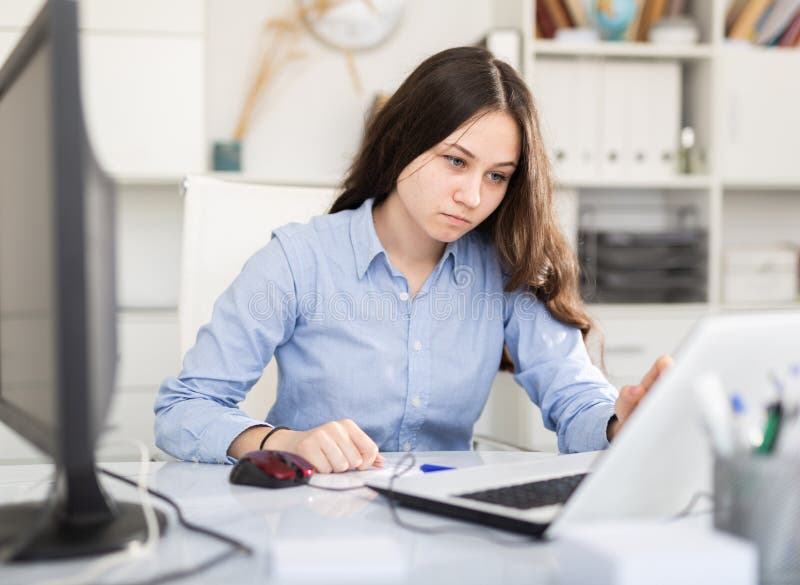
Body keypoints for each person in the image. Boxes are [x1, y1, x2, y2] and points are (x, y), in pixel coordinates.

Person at [154, 46, 671, 473]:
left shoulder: (505, 267)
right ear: (403, 141)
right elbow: (183, 410)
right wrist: (281, 441)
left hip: (449, 521)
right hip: (313, 518)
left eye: (497, 175)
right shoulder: (298, 260)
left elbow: (575, 397)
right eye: (455, 160)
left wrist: (615, 424)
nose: (472, 195)